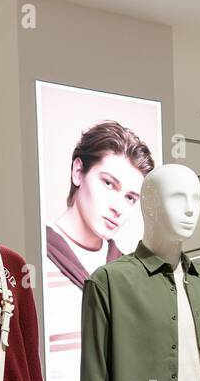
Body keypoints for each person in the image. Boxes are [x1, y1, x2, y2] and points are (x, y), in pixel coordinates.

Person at [45, 121, 156, 289]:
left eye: (130, 198)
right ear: (78, 172)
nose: (118, 208)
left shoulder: (131, 272)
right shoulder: (36, 253)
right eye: (109, 184)